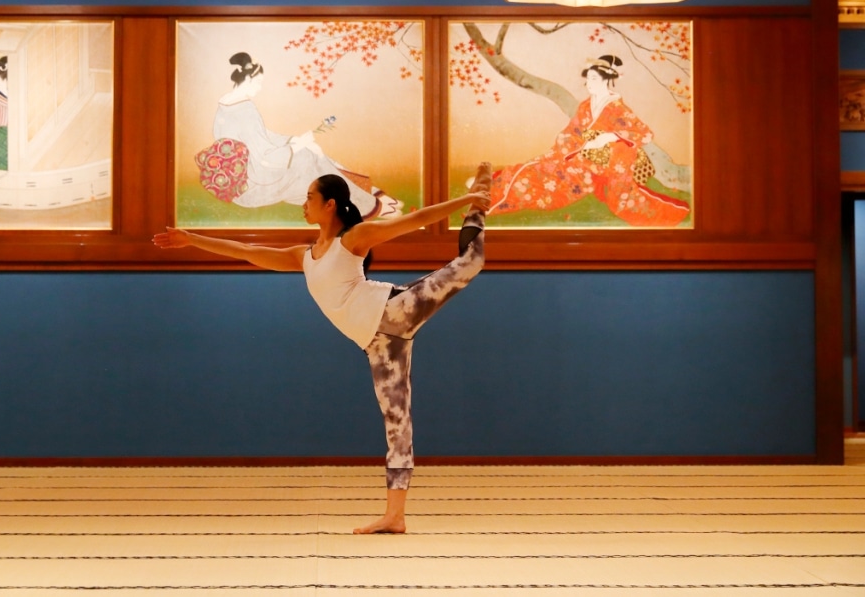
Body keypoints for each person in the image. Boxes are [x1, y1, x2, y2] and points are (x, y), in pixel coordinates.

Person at [153, 162, 493, 534]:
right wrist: (193, 239)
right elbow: (247, 250)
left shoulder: (353, 239)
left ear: (330, 204)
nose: (304, 204)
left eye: (309, 197)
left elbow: (415, 220)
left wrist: (468, 199)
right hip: (377, 345)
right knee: (398, 427)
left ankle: (480, 203)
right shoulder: (303, 257)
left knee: (471, 262)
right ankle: (395, 516)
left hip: (393, 310)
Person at [486, 54, 690, 227]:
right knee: (535, 169)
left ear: (606, 80)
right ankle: (496, 186)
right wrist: (575, 145)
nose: (588, 83)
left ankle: (503, 194)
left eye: (593, 78)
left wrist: (608, 137)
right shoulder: (586, 106)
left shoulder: (617, 108)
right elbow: (572, 131)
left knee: (547, 188)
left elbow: (643, 133)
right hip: (577, 156)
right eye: (588, 79)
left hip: (594, 168)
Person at [207, 52, 402, 218]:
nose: (260, 87)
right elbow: (264, 157)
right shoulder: (244, 110)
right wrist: (297, 147)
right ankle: (369, 205)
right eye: (258, 82)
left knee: (312, 160)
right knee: (309, 158)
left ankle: (362, 192)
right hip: (253, 183)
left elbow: (263, 137)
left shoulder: (227, 105)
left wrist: (293, 140)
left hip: (247, 176)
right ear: (248, 80)